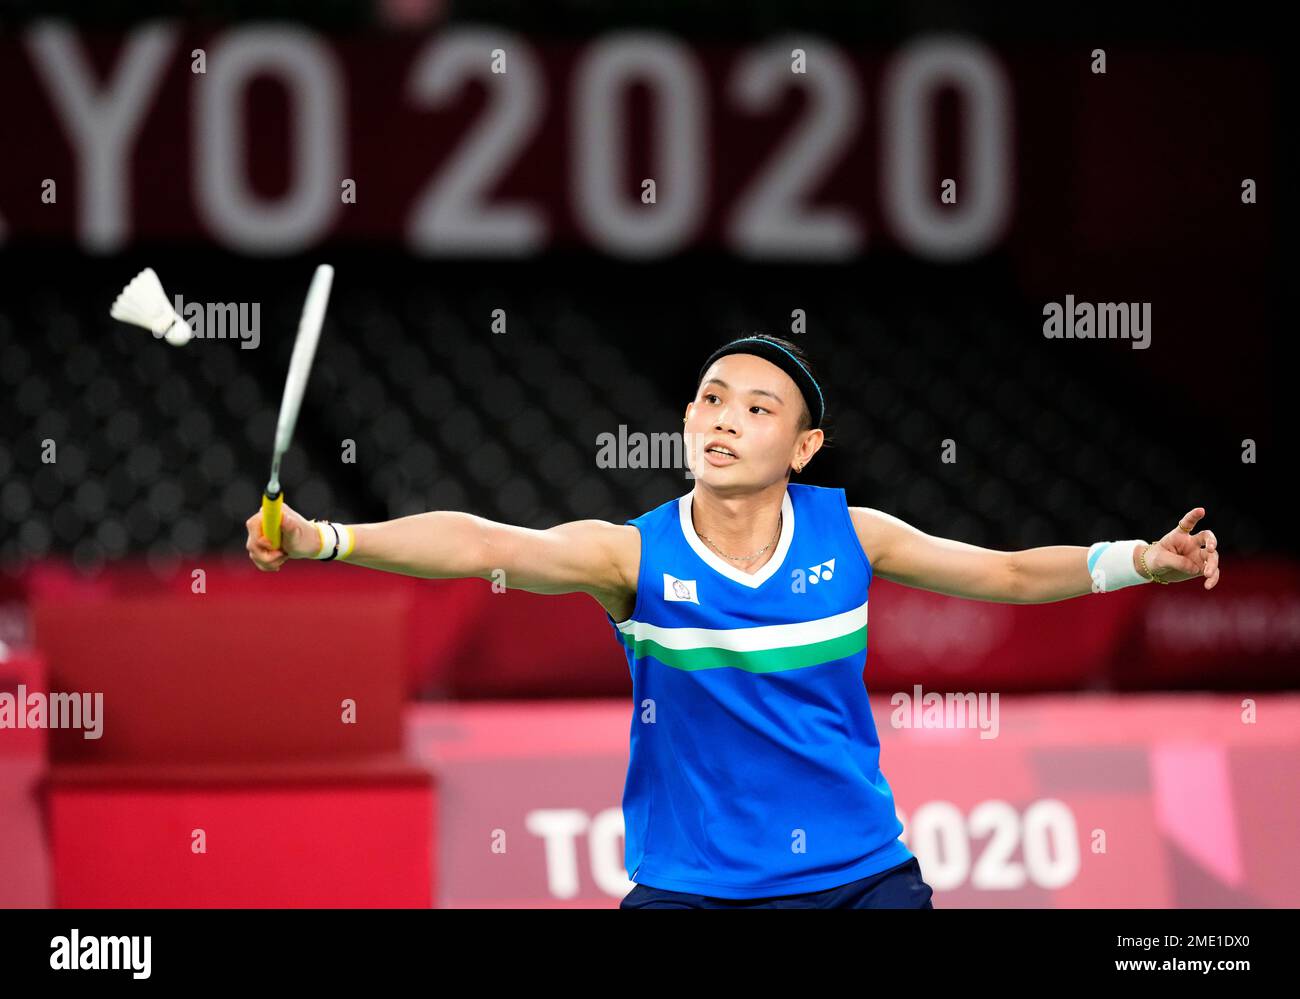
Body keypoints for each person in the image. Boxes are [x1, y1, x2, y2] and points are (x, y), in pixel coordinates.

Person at [244, 333, 1221, 909]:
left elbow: (1006, 573)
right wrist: (328, 539)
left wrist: (1139, 559)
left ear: (804, 446)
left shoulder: (854, 535)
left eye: (757, 409)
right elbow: (483, 543)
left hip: (860, 881)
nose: (722, 417)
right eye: (711, 398)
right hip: (693, 891)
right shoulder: (634, 557)